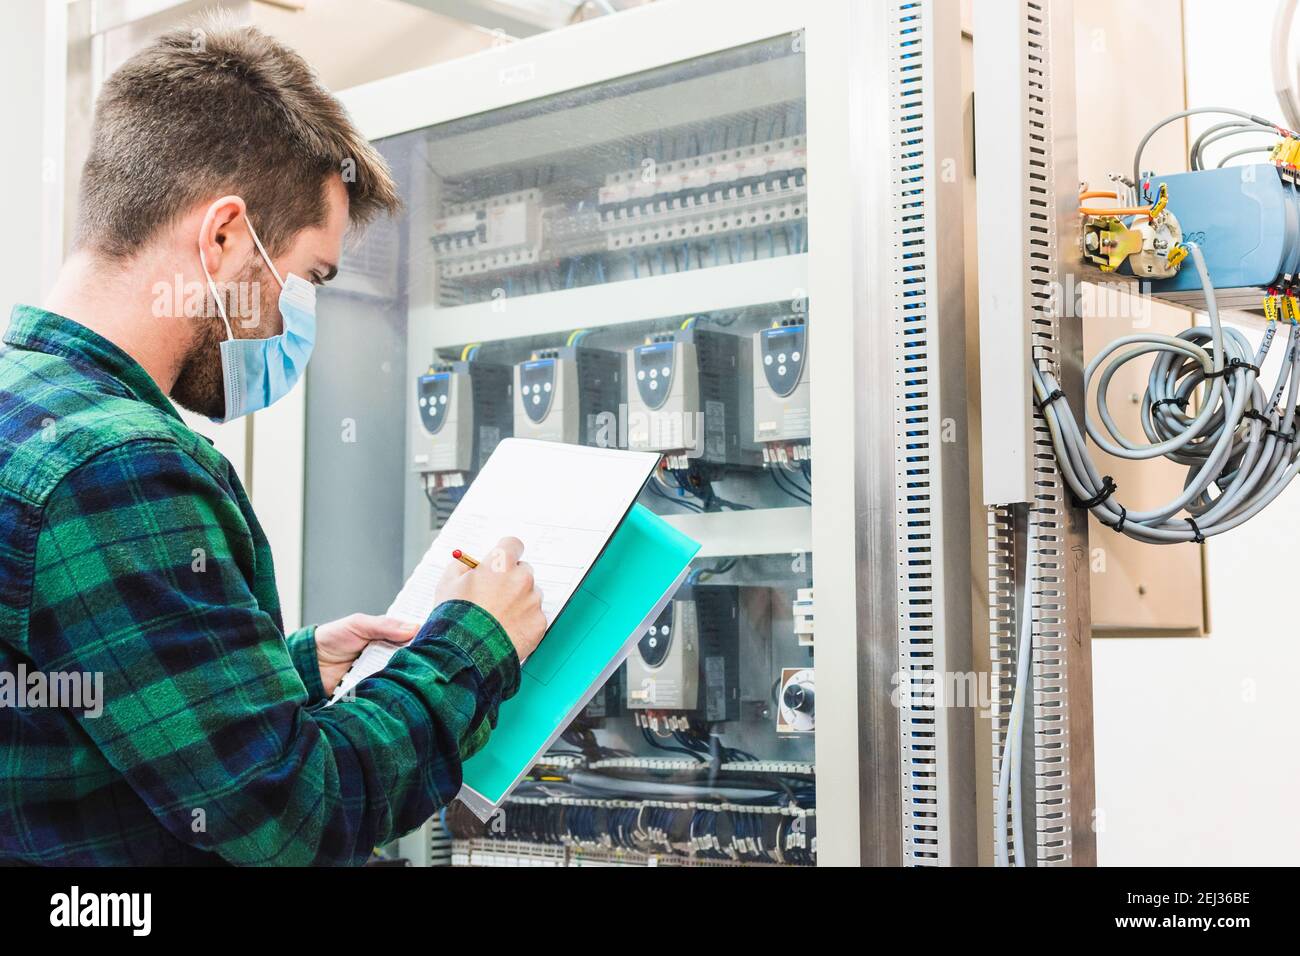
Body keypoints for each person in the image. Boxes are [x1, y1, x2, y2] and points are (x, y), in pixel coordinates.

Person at [0, 15, 545, 866]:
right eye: (308, 280)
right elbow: (290, 814)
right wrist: (474, 645)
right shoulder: (119, 465)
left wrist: (284, 674)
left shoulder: (21, 401)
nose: (299, 319)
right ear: (222, 237)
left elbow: (62, 716)